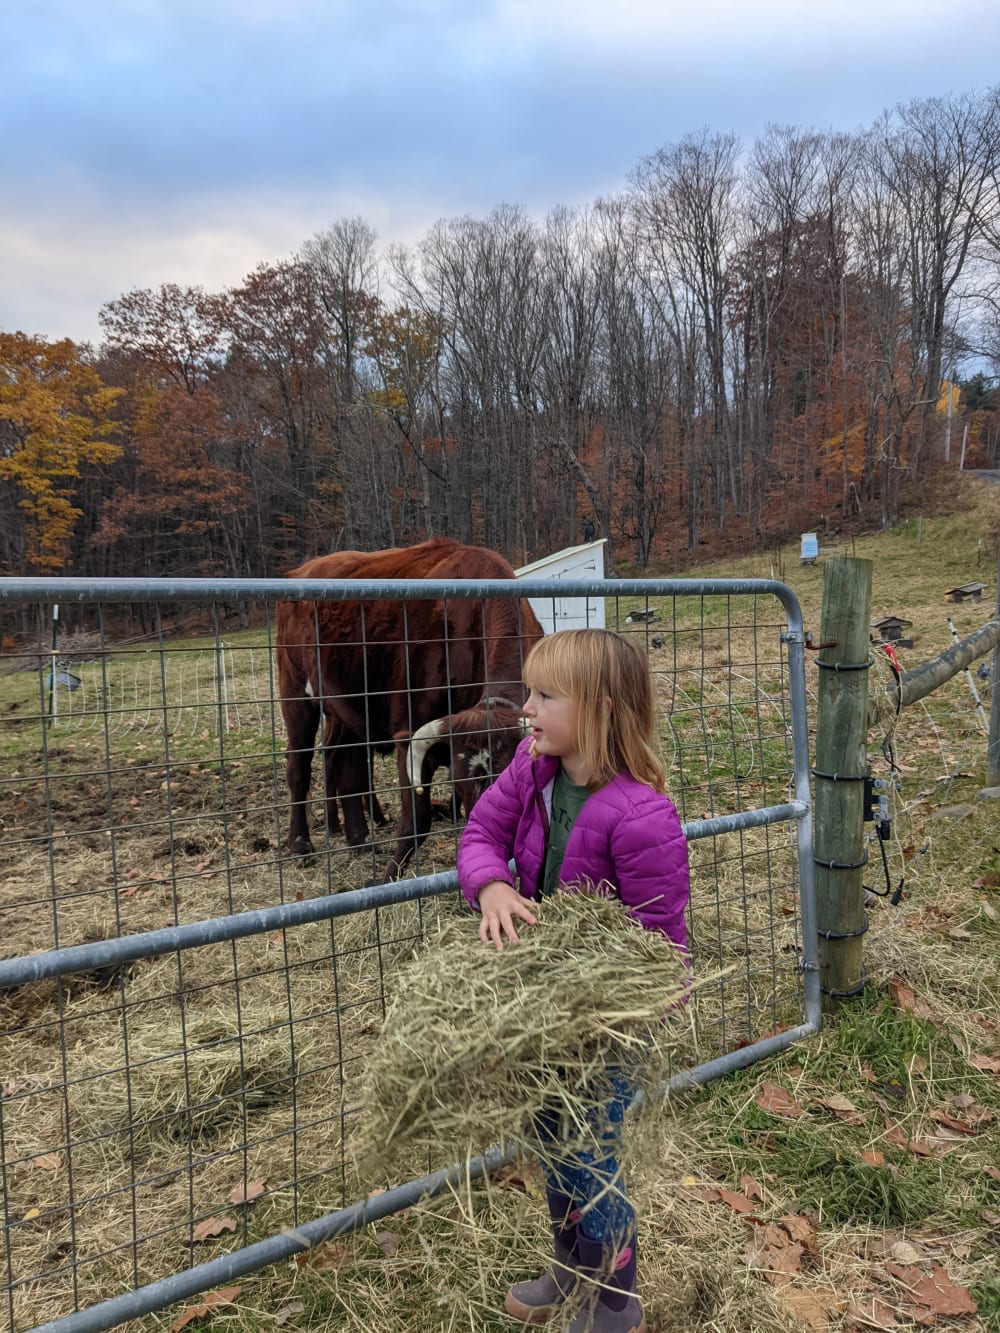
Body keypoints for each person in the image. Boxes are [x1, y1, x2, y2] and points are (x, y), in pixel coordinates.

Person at [457, 629, 690, 1333]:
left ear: (599, 707)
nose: (526, 707)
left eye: (544, 695)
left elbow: (662, 944)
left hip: (601, 1026)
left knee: (595, 1154)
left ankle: (616, 1299)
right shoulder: (532, 772)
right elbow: (478, 835)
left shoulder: (643, 815)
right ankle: (570, 1265)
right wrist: (492, 888)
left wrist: (617, 1013)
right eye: (530, 691)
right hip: (539, 1007)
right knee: (550, 1138)